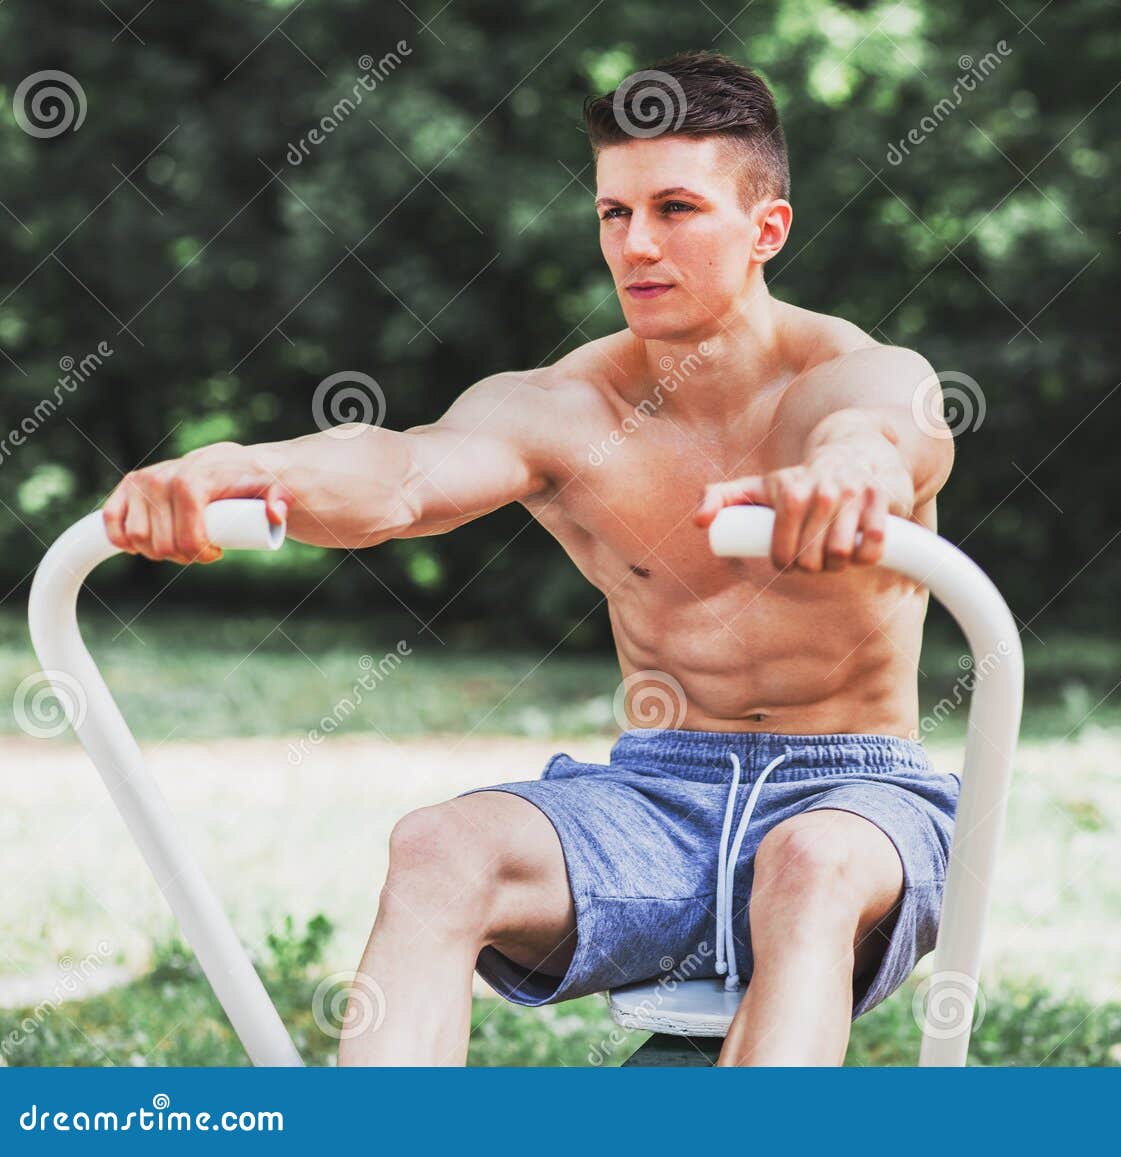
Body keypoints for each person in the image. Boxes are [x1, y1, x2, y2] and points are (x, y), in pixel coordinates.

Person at [102, 51, 958, 1066]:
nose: (635, 243)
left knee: (805, 864)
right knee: (438, 849)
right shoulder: (567, 407)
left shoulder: (856, 376)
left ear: (764, 228)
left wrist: (844, 477)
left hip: (854, 796)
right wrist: (241, 467)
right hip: (662, 794)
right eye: (613, 213)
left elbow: (880, 434)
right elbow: (403, 474)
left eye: (676, 208)